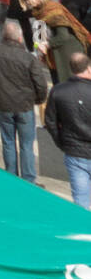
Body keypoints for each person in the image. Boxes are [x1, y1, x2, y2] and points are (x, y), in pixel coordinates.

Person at [0, 19, 48, 184]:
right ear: (20, 38)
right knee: (26, 145)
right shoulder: (28, 58)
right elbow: (40, 84)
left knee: (8, 142)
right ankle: (28, 180)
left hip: (3, 105)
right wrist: (38, 100)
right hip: (24, 106)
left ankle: (11, 178)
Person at [45, 51, 91, 209]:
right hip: (76, 149)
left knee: (80, 201)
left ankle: (84, 230)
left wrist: (62, 143)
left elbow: (50, 121)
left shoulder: (58, 91)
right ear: (89, 68)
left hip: (74, 152)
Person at [24, 0, 91, 85]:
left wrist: (46, 45)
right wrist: (39, 47)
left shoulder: (53, 10)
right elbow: (39, 38)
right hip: (54, 56)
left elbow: (63, 36)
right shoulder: (38, 11)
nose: (26, 3)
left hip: (66, 55)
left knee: (66, 85)